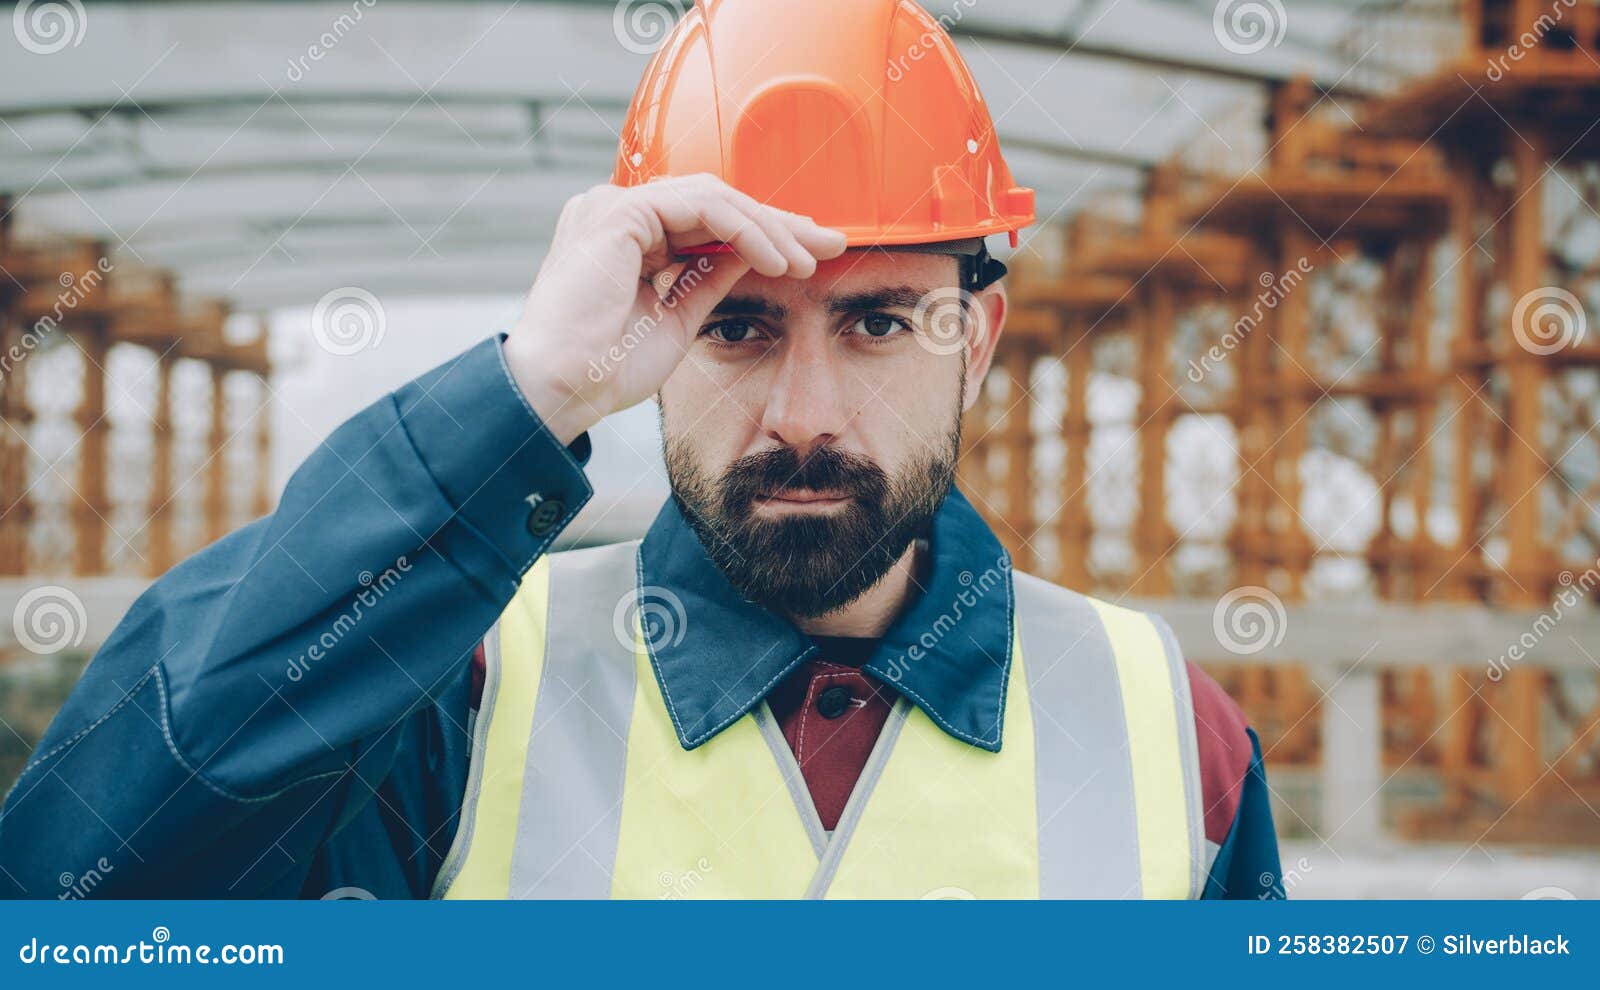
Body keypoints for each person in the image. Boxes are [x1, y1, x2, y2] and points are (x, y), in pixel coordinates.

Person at [0, 0, 1280, 899]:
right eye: (734, 326)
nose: (803, 416)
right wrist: (524, 395)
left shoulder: (1171, 733)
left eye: (879, 322)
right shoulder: (460, 696)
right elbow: (72, 892)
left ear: (976, 338)